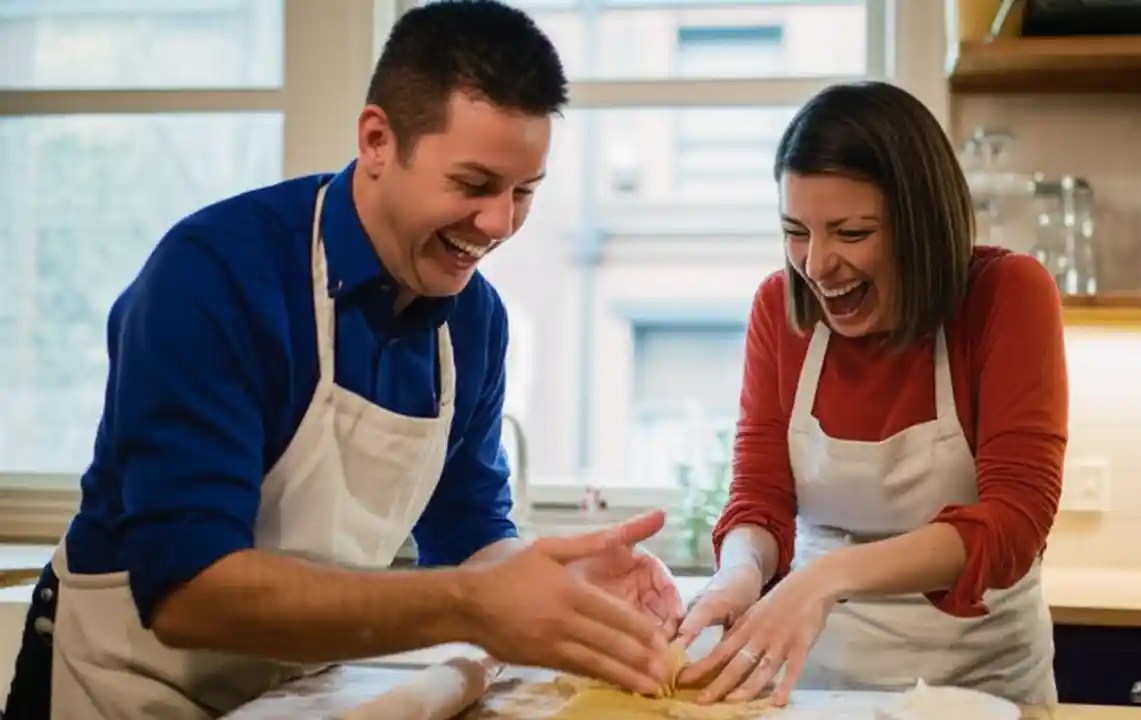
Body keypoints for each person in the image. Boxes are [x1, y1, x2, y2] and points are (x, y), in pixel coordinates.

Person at [3, 2, 683, 718]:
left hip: (286, 697)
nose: (500, 224)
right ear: (378, 140)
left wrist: (567, 590)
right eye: (474, 185)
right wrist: (472, 605)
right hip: (126, 688)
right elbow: (187, 593)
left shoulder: (474, 323)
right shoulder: (215, 277)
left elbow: (470, 534)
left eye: (526, 193)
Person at [674, 81, 1068, 707]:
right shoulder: (780, 309)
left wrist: (826, 578)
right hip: (818, 683)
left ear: (922, 224)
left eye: (851, 233)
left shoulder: (1007, 294)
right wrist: (740, 573)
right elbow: (760, 494)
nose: (817, 264)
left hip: (981, 687)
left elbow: (1016, 521)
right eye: (795, 230)